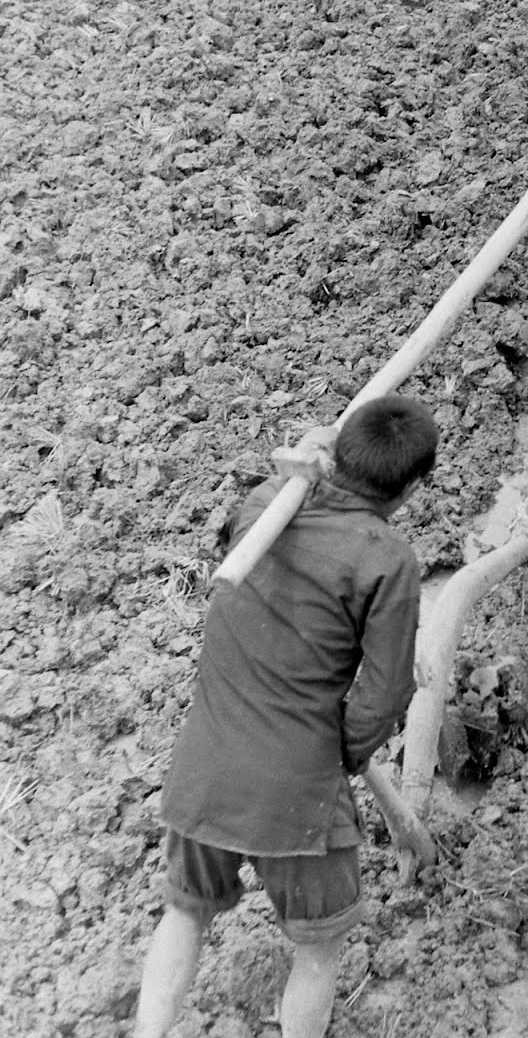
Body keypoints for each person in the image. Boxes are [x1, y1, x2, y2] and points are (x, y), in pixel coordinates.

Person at [133, 396, 439, 1038]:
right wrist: (342, 758)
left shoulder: (266, 504)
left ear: (338, 453)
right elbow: (383, 700)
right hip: (296, 796)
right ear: (410, 489)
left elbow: (251, 515)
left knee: (185, 913)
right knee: (318, 952)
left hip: (203, 768)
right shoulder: (388, 559)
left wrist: (303, 463)